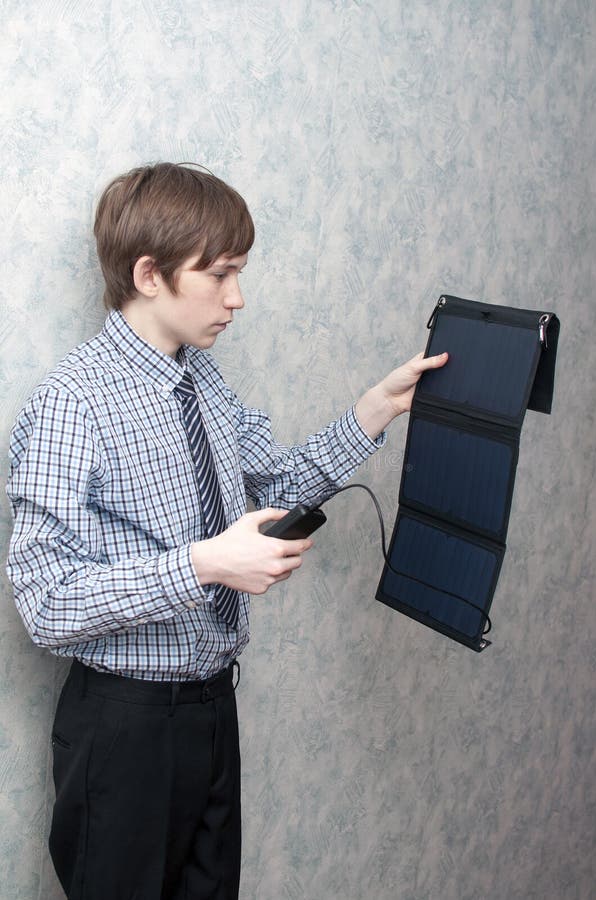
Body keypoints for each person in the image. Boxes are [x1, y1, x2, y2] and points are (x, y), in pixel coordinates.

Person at [5, 162, 447, 900]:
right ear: (150, 274)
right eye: (220, 275)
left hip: (213, 712)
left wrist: (375, 410)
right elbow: (45, 604)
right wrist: (204, 565)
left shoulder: (201, 380)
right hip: (126, 730)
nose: (237, 299)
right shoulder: (69, 404)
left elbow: (274, 489)